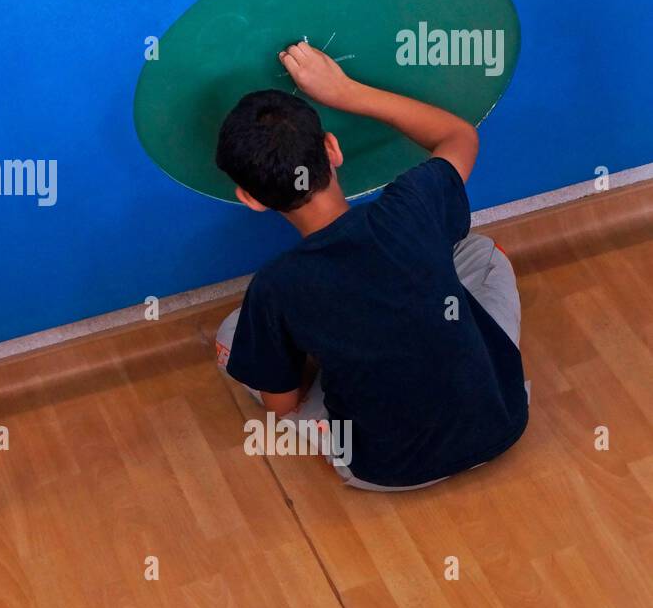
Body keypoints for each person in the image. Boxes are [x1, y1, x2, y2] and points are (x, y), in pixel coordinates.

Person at [214, 42, 527, 490]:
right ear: (333, 149)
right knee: (481, 255)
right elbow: (459, 136)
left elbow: (281, 408)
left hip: (386, 469)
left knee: (233, 334)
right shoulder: (414, 203)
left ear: (251, 199)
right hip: (502, 419)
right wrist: (344, 92)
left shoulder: (275, 286)